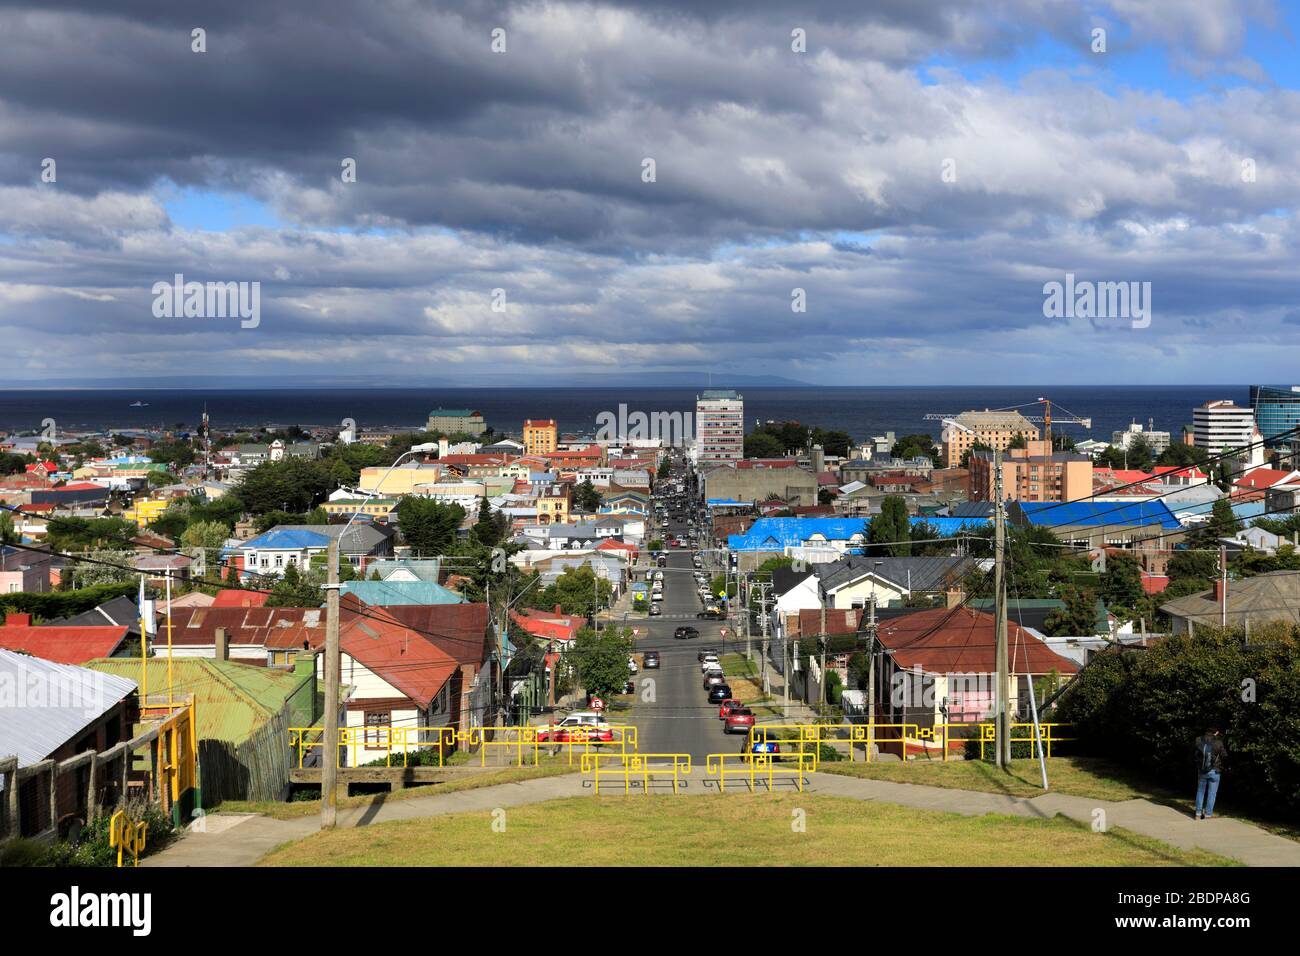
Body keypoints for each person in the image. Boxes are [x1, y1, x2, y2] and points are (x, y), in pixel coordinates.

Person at [1193, 727, 1227, 820]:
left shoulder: (1198, 739)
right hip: (1214, 770)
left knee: (1200, 791)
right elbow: (1224, 755)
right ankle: (1208, 815)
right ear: (1215, 732)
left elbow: (1196, 753)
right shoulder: (1218, 742)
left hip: (1202, 770)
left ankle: (1198, 814)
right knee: (1212, 793)